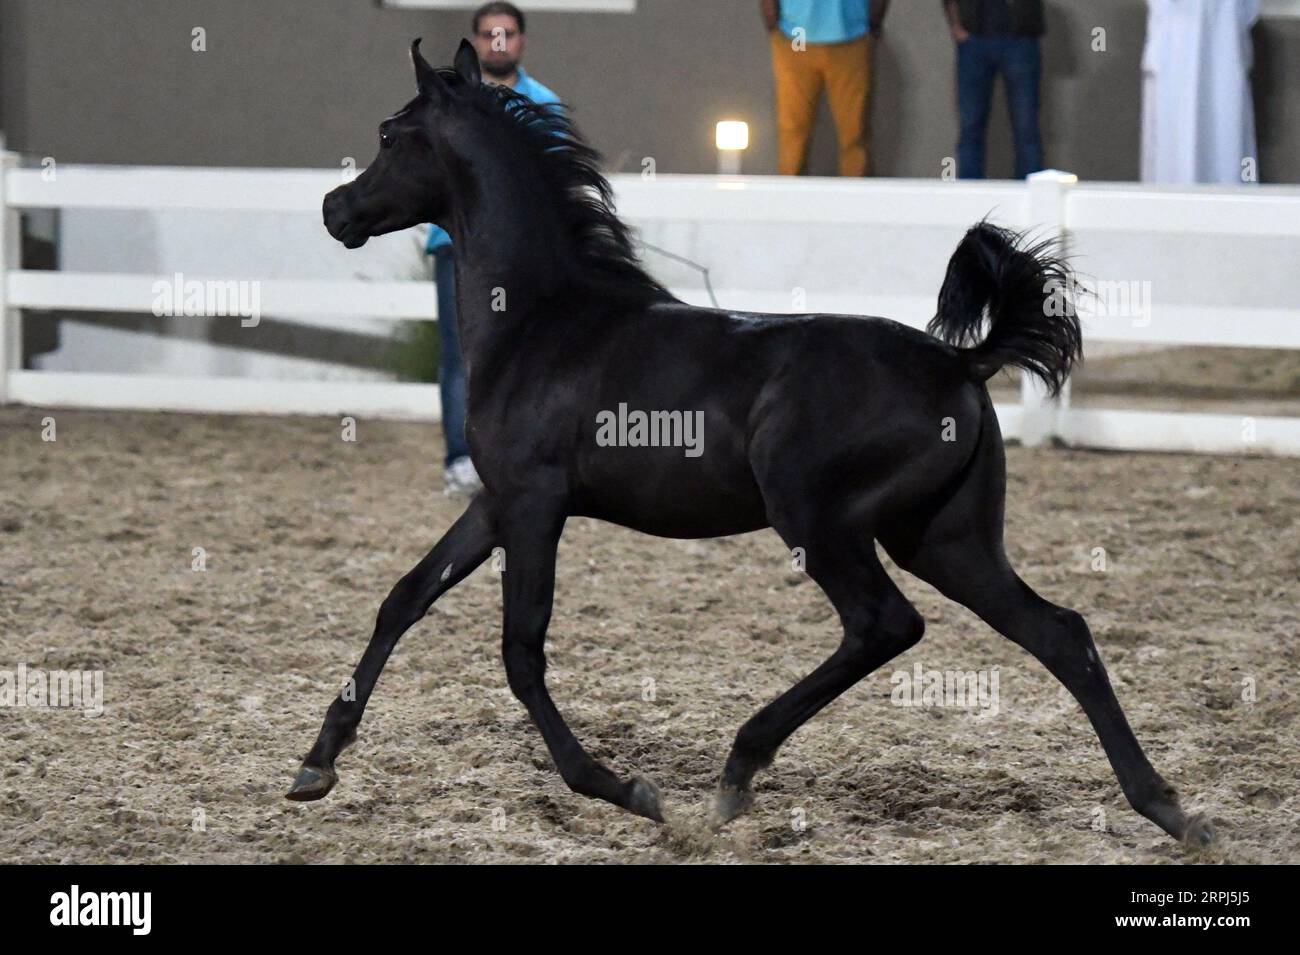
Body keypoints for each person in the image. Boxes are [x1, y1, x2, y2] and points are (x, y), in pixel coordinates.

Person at [428, 2, 561, 494]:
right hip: (457, 246)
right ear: (477, 41)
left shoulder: (542, 102)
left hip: (520, 253)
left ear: (521, 40)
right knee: (459, 354)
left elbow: (556, 179)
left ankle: (516, 454)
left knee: (527, 352)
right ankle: (461, 460)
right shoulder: (450, 101)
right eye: (488, 35)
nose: (497, 43)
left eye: (506, 34)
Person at [762, 0, 889, 177]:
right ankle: (789, 198)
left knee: (854, 131)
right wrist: (773, 21)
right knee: (792, 130)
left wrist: (871, 24)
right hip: (796, 35)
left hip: (850, 35)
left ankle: (856, 199)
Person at [1141, 0, 1260, 185]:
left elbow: (1248, 11)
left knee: (1226, 132)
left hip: (1224, 42)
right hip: (1174, 50)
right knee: (1174, 143)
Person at [943, 0, 1045, 180]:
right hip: (974, 40)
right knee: (970, 126)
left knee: (1026, 128)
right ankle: (970, 196)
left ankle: (1032, 196)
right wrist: (956, 26)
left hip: (1020, 39)